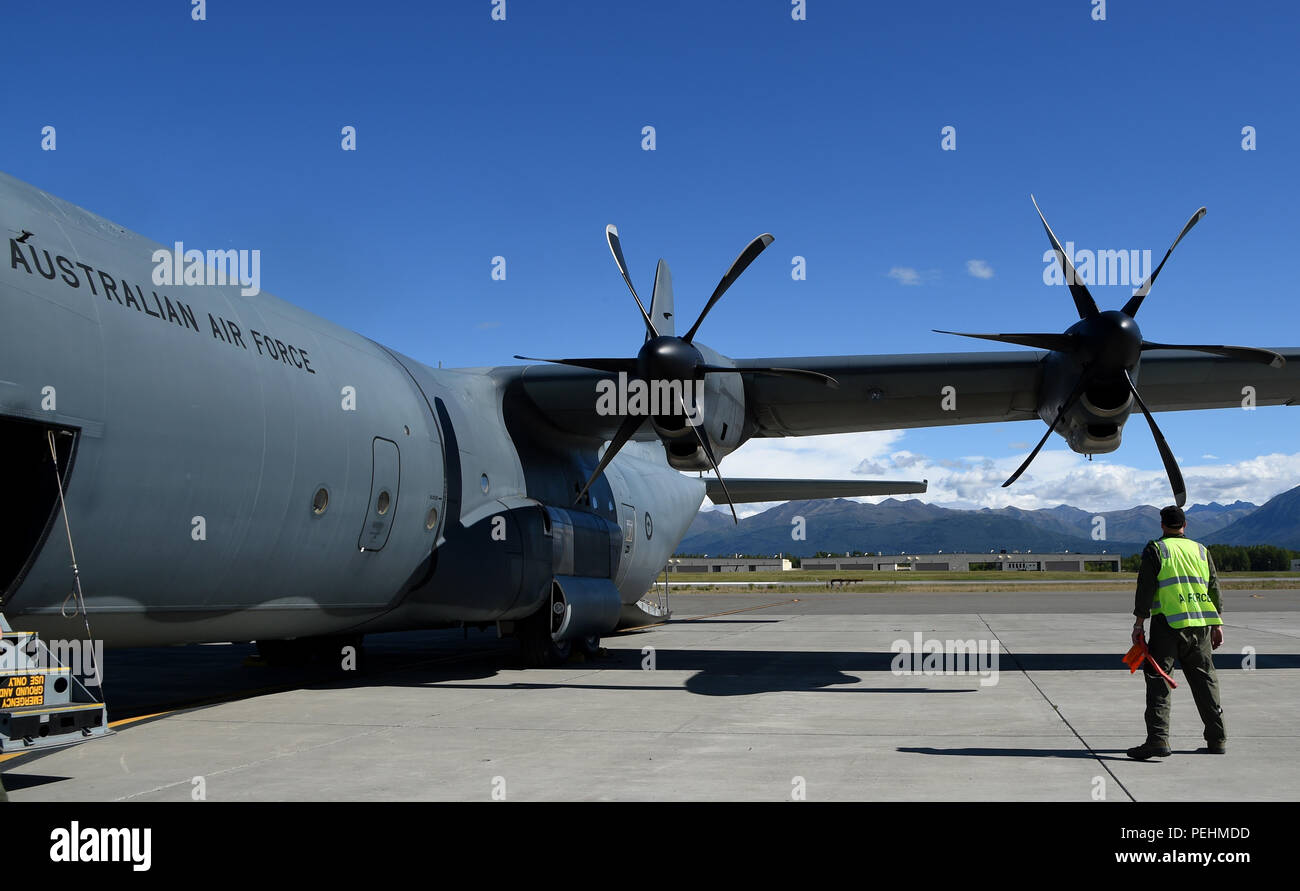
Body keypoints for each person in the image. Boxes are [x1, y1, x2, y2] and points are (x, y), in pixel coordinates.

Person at [1128, 505, 1225, 760]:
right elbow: (1214, 588)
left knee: (1159, 679)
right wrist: (1217, 624)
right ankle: (1217, 739)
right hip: (1202, 625)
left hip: (1168, 624)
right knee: (1205, 680)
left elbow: (1145, 589)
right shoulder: (1201, 550)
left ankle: (1158, 740)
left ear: (1162, 525)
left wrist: (1139, 624)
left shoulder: (1157, 549)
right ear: (1185, 525)